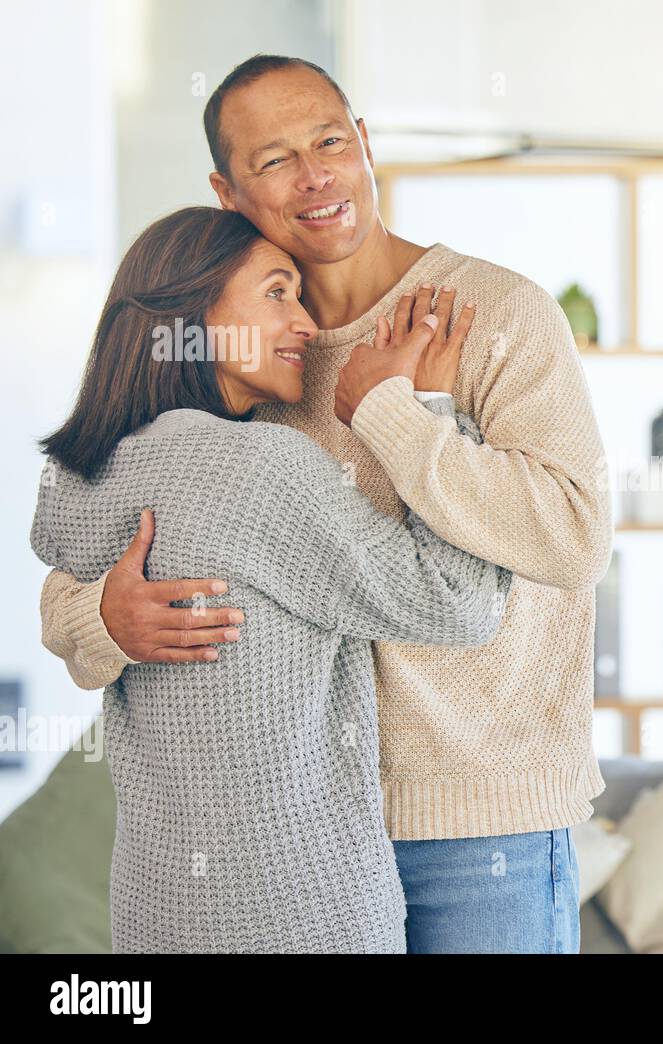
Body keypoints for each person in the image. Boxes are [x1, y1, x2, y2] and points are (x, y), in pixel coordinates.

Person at [38, 54, 611, 953]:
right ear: (228, 193)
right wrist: (101, 616)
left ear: (365, 146)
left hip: (481, 829)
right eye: (274, 162)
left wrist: (392, 411)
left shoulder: (497, 314)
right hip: (305, 842)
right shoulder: (245, 351)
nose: (315, 177)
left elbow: (575, 535)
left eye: (330, 142)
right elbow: (109, 527)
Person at [32, 206, 512, 953]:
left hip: (155, 918)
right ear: (193, 312)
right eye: (279, 293)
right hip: (302, 915)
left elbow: (62, 602)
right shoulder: (258, 471)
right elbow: (460, 602)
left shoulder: (81, 476)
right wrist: (421, 410)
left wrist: (87, 617)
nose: (309, 327)